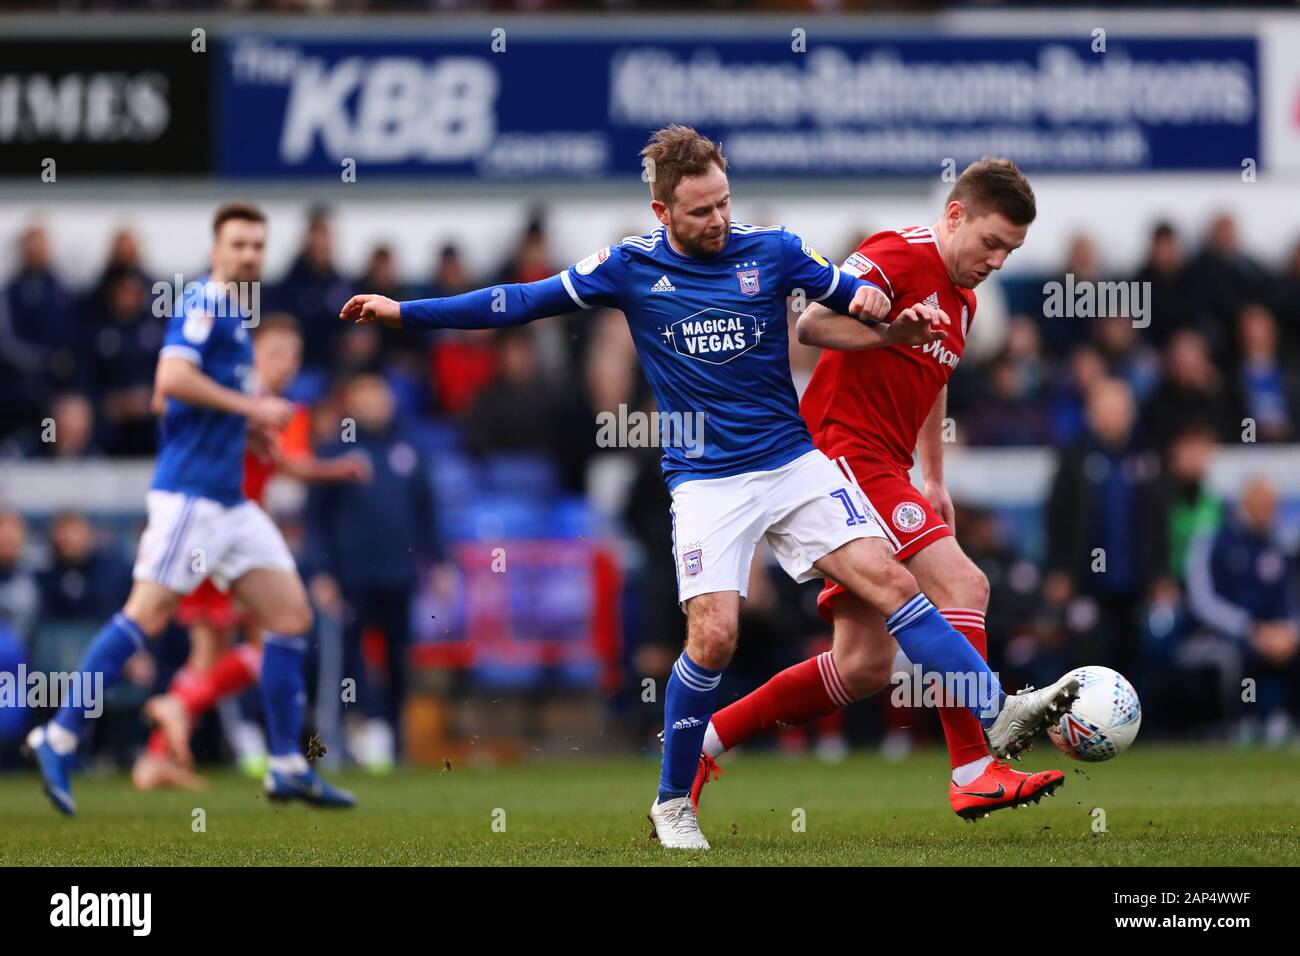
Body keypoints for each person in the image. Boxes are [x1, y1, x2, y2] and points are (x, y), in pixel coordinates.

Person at [342, 125, 1080, 849]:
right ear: (662, 213)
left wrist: (887, 315)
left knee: (893, 582)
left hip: (793, 464)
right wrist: (406, 312)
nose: (719, 219)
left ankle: (996, 711)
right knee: (716, 636)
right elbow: (519, 300)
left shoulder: (773, 247)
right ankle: (672, 800)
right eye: (701, 210)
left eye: (724, 202)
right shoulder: (627, 267)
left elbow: (844, 295)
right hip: (706, 481)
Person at [694, 159, 1069, 821]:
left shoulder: (965, 300)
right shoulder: (898, 253)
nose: (997, 261)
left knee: (864, 665)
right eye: (990, 243)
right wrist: (888, 331)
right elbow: (811, 326)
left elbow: (935, 374)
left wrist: (936, 477)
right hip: (844, 454)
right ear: (956, 215)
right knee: (964, 586)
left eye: (1010, 252)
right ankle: (975, 769)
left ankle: (705, 740)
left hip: (889, 466)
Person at [25, 202, 355, 815]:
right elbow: (171, 378)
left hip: (230, 503)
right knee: (144, 616)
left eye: (258, 244)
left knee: (289, 617)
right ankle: (61, 732)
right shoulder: (205, 302)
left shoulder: (231, 317)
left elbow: (162, 396)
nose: (250, 254)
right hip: (192, 499)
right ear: (216, 250)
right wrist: (250, 410)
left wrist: (245, 425)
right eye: (238, 244)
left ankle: (285, 764)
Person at [133, 314, 370, 791]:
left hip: (236, 540)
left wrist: (331, 469)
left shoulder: (269, 406)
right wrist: (334, 468)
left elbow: (281, 463)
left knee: (216, 653)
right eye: (276, 352)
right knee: (265, 644)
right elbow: (169, 402)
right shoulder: (238, 397)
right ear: (255, 352)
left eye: (294, 356)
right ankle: (176, 721)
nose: (286, 364)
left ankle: (157, 755)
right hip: (218, 536)